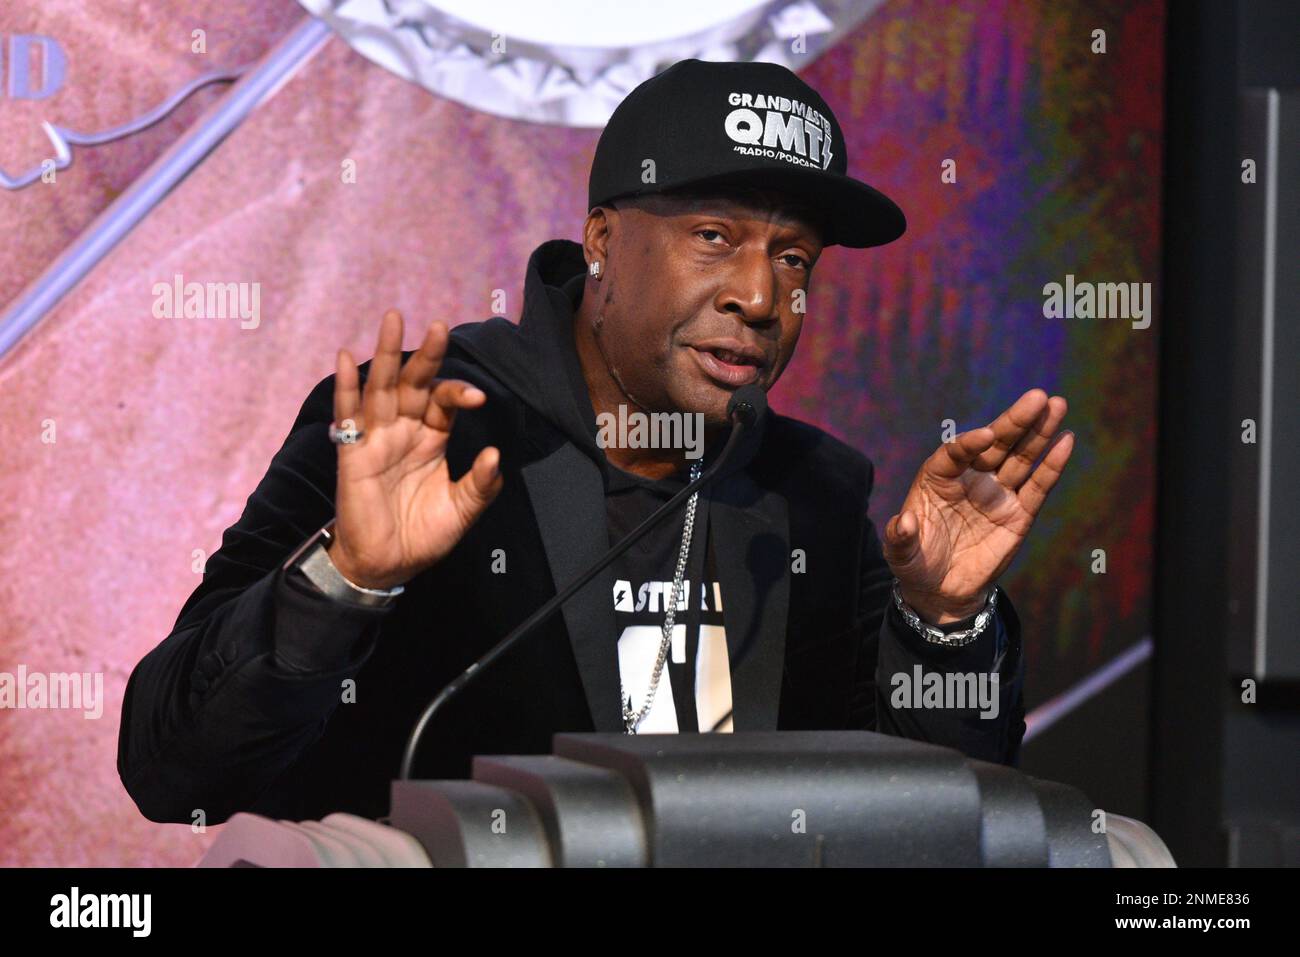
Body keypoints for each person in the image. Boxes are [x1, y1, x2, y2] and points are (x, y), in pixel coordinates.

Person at [118, 58, 1073, 825]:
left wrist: (943, 624)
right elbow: (173, 775)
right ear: (604, 242)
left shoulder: (813, 492)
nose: (761, 295)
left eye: (794, 258)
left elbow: (934, 819)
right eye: (713, 235)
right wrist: (345, 583)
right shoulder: (423, 433)